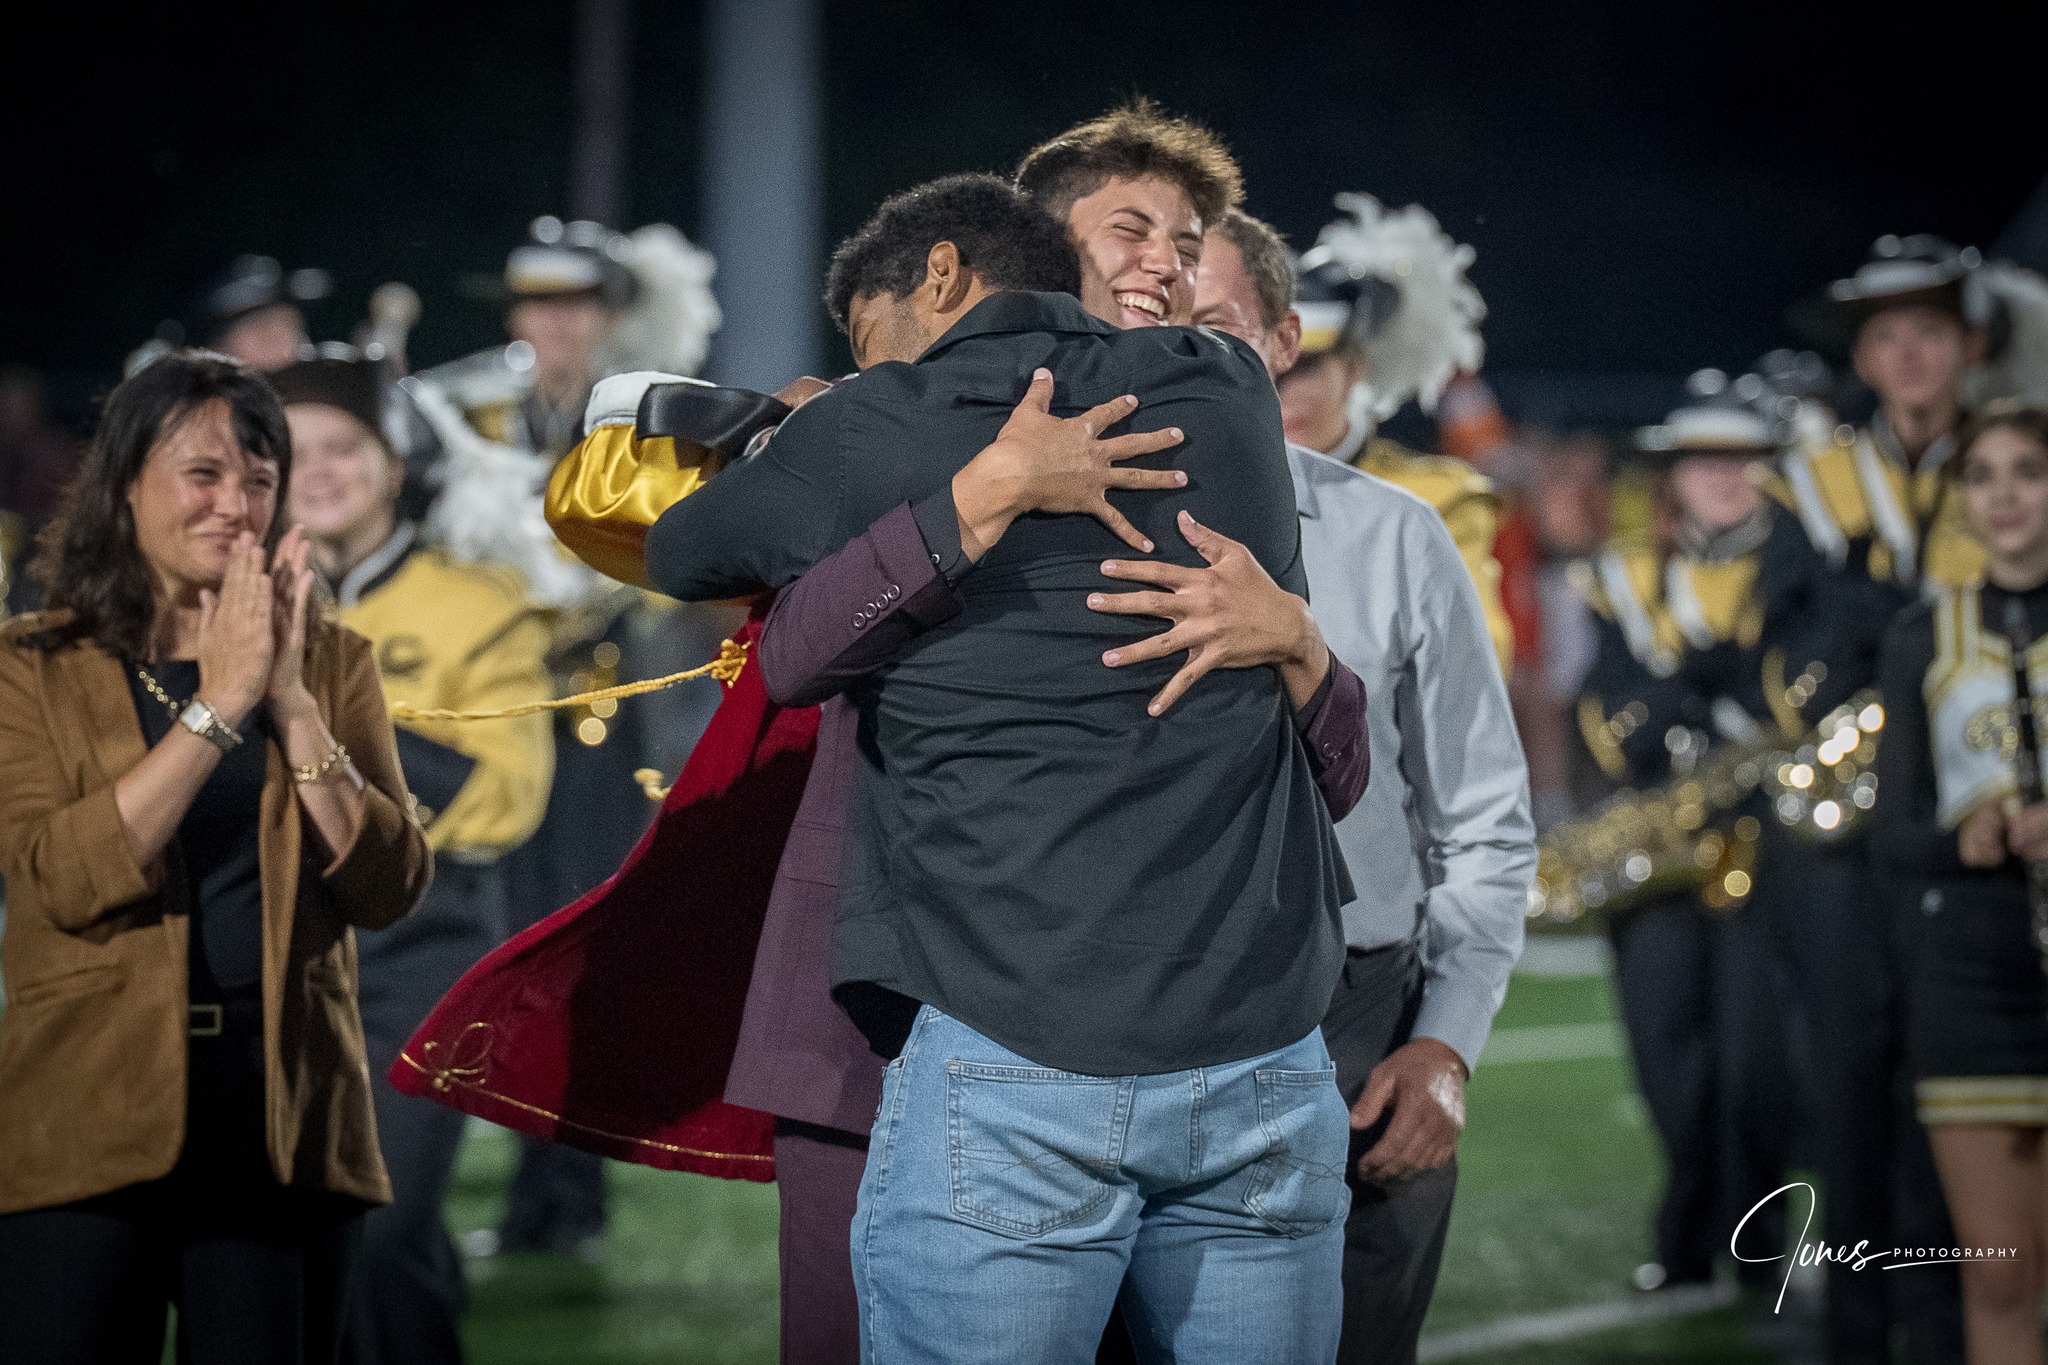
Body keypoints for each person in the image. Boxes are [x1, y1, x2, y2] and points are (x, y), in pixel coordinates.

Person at [643, 167, 1354, 1361]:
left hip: (1016, 1040)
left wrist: (826, 437)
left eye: (881, 346)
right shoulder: (1230, 384)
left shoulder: (881, 423)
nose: (883, 372)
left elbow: (683, 552)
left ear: (938, 276)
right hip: (1260, 1050)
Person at [0, 349, 431, 1363]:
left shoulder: (332, 660)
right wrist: (221, 703)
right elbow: (60, 877)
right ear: (125, 482)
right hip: (84, 1116)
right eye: (202, 472)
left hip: (282, 1115)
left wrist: (286, 698)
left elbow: (389, 885)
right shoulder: (34, 665)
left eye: (258, 477)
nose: (233, 502)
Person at [1182, 206, 1533, 1365]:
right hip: (1138, 1015)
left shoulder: (1400, 534)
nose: (1184, 351)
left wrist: (1444, 1046)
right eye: (1158, 321)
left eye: (1219, 325)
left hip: (1359, 1015)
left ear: (1283, 341)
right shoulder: (1052, 527)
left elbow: (1483, 817)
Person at [274, 348, 554, 1365]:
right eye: (294, 451)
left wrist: (316, 741)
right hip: (262, 950)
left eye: (345, 446)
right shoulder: (222, 602)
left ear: (394, 461)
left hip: (418, 942)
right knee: (287, 1245)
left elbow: (504, 791)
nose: (322, 471)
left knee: (384, 1227)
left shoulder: (477, 602)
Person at [1570, 379, 1802, 1296]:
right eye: (1703, 460)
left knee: (1756, 1061)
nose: (1720, 477)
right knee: (1668, 1054)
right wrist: (1663, 705)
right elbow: (1603, 710)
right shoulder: (1626, 576)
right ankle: (1686, 1225)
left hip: (1768, 839)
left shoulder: (1794, 567)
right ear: (1674, 475)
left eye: (1740, 460)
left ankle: (1759, 1238)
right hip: (1665, 849)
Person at [1873, 403, 2048, 1365]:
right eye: (1984, 475)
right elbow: (1894, 833)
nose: (2008, 493)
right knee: (2000, 1275)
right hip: (1970, 980)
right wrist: (1967, 835)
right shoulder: (1921, 635)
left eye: (2029, 470)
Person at [1277, 194, 1513, 672]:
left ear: (1354, 368)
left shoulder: (1435, 499)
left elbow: (1478, 661)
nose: (1281, 392)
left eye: (1305, 367)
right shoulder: (1210, 485)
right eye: (1261, 369)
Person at [187, 255, 332, 372]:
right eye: (261, 327)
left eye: (291, 326)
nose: (283, 341)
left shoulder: (325, 394)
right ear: (217, 348)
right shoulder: (198, 400)